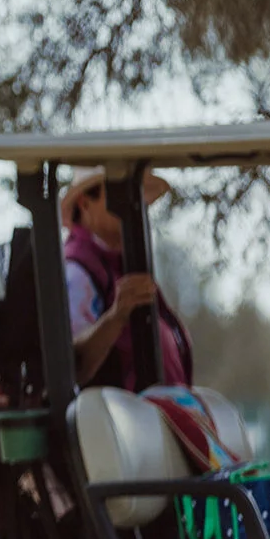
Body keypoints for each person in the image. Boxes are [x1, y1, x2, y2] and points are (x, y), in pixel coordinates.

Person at [60, 167, 194, 390]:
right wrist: (116, 316)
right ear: (85, 203)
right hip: (112, 421)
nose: (134, 208)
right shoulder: (78, 272)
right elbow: (74, 365)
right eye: (119, 197)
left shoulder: (122, 264)